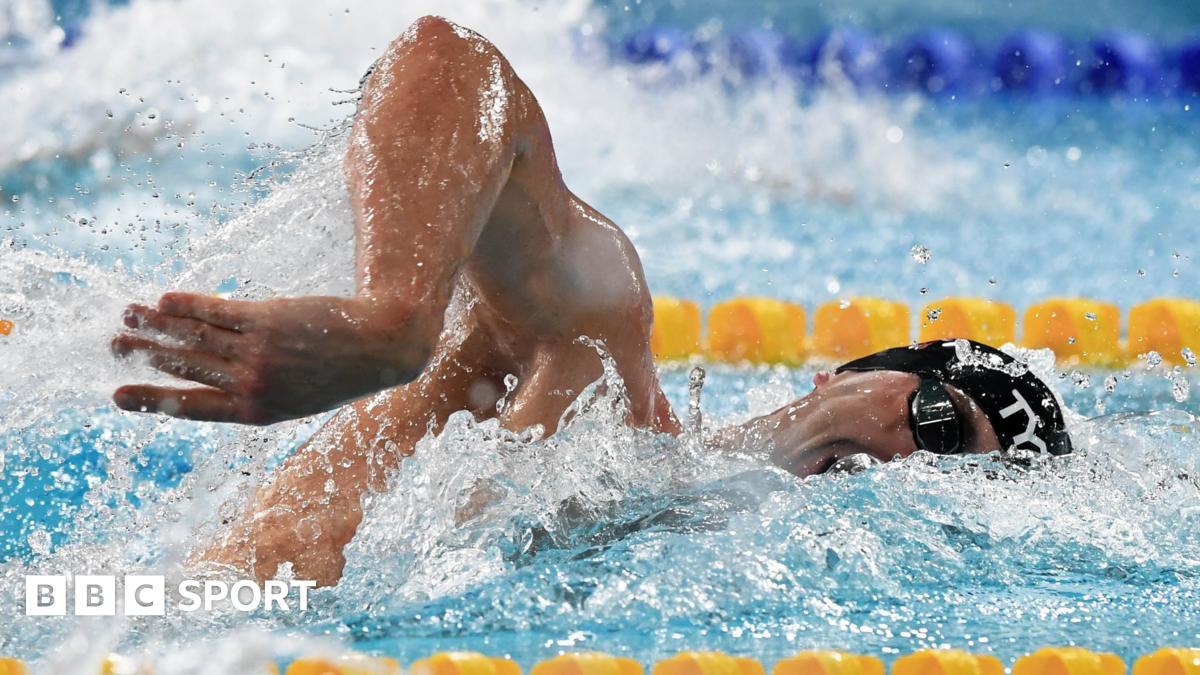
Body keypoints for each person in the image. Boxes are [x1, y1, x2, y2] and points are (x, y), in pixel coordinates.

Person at [109, 16, 1071, 587]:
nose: (915, 467)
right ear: (851, 372)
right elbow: (452, 63)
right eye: (942, 424)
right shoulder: (601, 359)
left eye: (959, 486)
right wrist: (395, 320)